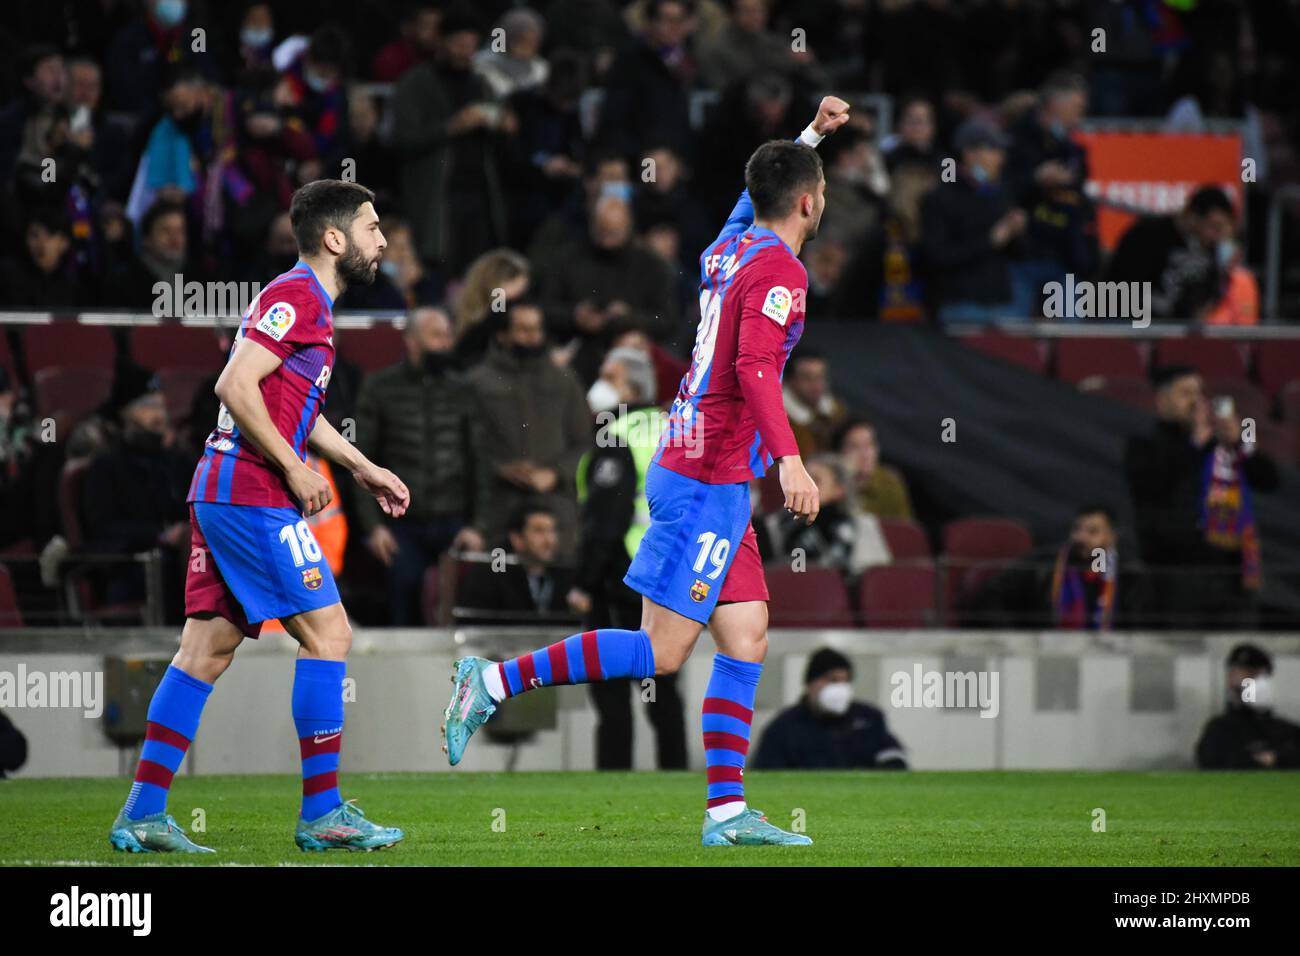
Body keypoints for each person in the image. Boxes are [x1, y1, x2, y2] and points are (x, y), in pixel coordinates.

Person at [442, 95, 853, 848]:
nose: (824, 201)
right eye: (821, 188)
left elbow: (751, 198)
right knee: (663, 652)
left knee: (748, 634)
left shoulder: (732, 246)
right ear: (807, 200)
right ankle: (493, 681)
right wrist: (792, 461)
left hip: (706, 469)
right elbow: (757, 369)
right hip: (707, 476)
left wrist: (808, 135)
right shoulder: (782, 272)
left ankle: (726, 814)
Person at [108, 180, 411, 854]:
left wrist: (360, 467)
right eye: (371, 226)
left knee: (205, 651)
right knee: (330, 634)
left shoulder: (309, 305)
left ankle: (142, 812)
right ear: (334, 239)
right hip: (250, 494)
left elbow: (291, 407)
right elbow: (234, 386)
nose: (382, 240)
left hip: (225, 491)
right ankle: (323, 812)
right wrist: (296, 469)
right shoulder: (296, 295)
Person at [571, 346, 687, 771]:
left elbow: (606, 520)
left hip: (621, 575)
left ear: (633, 385)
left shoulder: (616, 435)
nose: (599, 383)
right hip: (672, 576)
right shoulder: (675, 429)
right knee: (665, 685)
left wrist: (584, 582)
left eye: (610, 375)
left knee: (611, 685)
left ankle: (614, 779)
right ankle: (675, 774)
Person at [354, 307, 489, 626]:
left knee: (459, 609)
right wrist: (373, 526)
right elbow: (360, 459)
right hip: (402, 522)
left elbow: (481, 461)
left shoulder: (464, 391)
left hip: (454, 522)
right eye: (437, 336)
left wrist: (479, 525)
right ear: (412, 342)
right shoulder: (380, 387)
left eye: (448, 336)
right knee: (404, 605)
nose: (446, 344)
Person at [1124, 365, 1279, 629]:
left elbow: (1269, 480)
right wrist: (1195, 442)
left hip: (1231, 574)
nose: (1196, 401)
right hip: (1174, 576)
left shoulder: (1221, 446)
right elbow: (1154, 484)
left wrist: (1240, 441)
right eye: (1185, 393)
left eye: (1199, 393)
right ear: (1162, 402)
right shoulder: (1143, 444)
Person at [920, 118, 1026, 326]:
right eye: (993, 150)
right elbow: (937, 256)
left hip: (1002, 304)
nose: (1000, 159)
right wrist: (990, 241)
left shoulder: (1001, 194)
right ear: (970, 153)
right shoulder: (941, 197)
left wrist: (1017, 231)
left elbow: (1018, 253)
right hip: (961, 306)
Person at [752, 648, 907, 770]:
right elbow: (766, 772)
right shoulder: (784, 726)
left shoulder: (869, 718)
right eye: (832, 680)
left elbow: (893, 757)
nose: (840, 688)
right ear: (810, 683)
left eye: (845, 681)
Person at [1106, 185, 1239, 322]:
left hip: (1177, 328)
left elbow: (1210, 294)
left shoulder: (1209, 248)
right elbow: (1122, 292)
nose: (1216, 236)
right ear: (1192, 217)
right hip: (1129, 321)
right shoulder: (1147, 235)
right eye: (1214, 227)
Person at [457, 505, 577, 622]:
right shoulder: (492, 572)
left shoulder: (565, 571)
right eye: (539, 531)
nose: (549, 540)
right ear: (517, 539)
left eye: (552, 531)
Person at [1196, 644, 1300, 770]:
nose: (1259, 682)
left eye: (1263, 675)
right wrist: (1270, 760)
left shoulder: (1288, 731)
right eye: (1250, 674)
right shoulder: (1219, 730)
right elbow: (1213, 763)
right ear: (1230, 679)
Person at [834, 418, 912, 520]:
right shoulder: (831, 482)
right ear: (839, 452)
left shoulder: (889, 483)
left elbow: (904, 530)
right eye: (854, 446)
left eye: (869, 445)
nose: (865, 455)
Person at [782, 349, 849, 456]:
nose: (816, 386)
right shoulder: (778, 420)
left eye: (820, 377)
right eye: (807, 378)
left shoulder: (838, 411)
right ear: (790, 380)